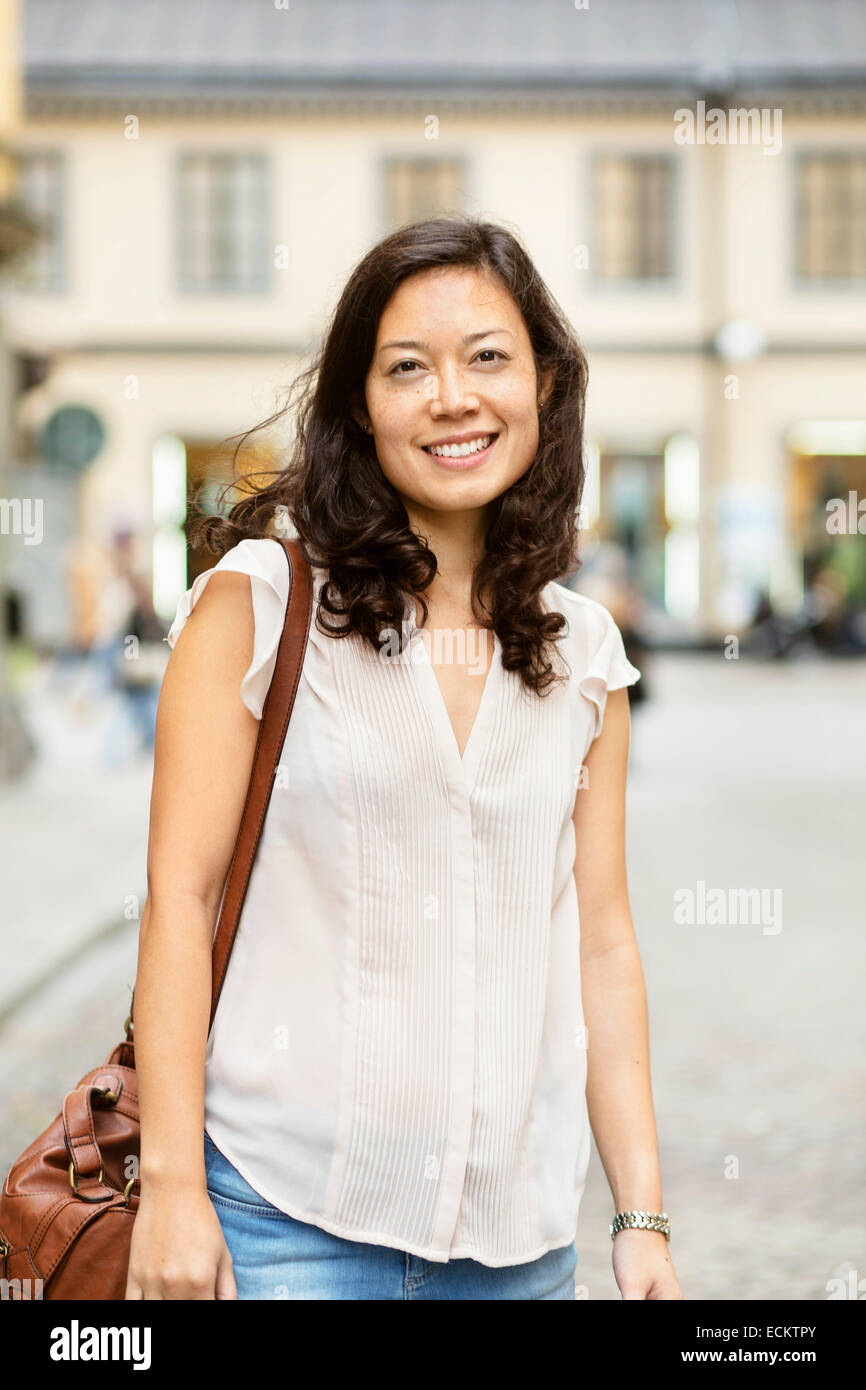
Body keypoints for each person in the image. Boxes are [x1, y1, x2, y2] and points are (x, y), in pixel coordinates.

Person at [125, 215, 682, 1302]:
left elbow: (603, 943)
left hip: (520, 1248)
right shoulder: (259, 608)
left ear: (544, 385)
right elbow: (176, 901)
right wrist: (173, 1190)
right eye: (406, 367)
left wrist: (641, 1214)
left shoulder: (582, 653)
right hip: (283, 1224)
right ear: (358, 406)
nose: (452, 397)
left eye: (486, 358)